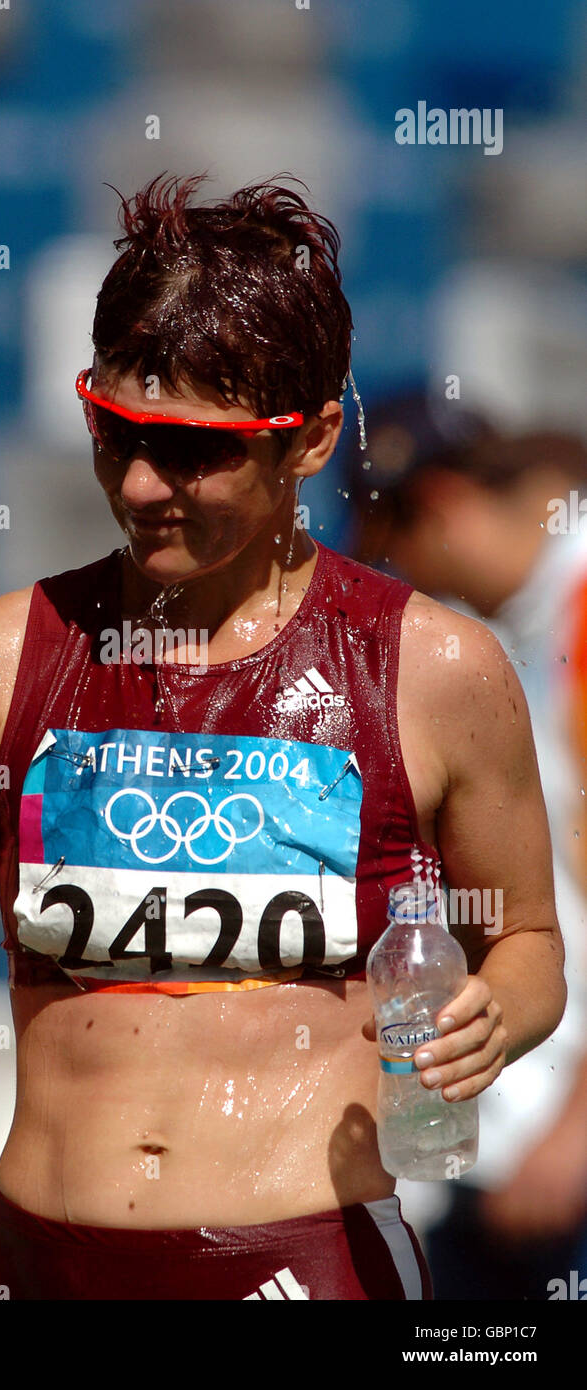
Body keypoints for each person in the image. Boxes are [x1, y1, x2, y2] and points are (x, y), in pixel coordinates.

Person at [0, 173, 566, 1301]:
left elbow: (527, 940)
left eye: (189, 451)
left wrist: (497, 1013)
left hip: (304, 1260)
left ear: (313, 439)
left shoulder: (435, 671)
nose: (138, 484)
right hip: (38, 1261)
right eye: (114, 432)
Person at [346, 398, 587, 1298]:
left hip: (562, 1157)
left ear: (438, 505)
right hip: (514, 1145)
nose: (396, 576)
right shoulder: (540, 623)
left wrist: (576, 1129)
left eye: (389, 543)